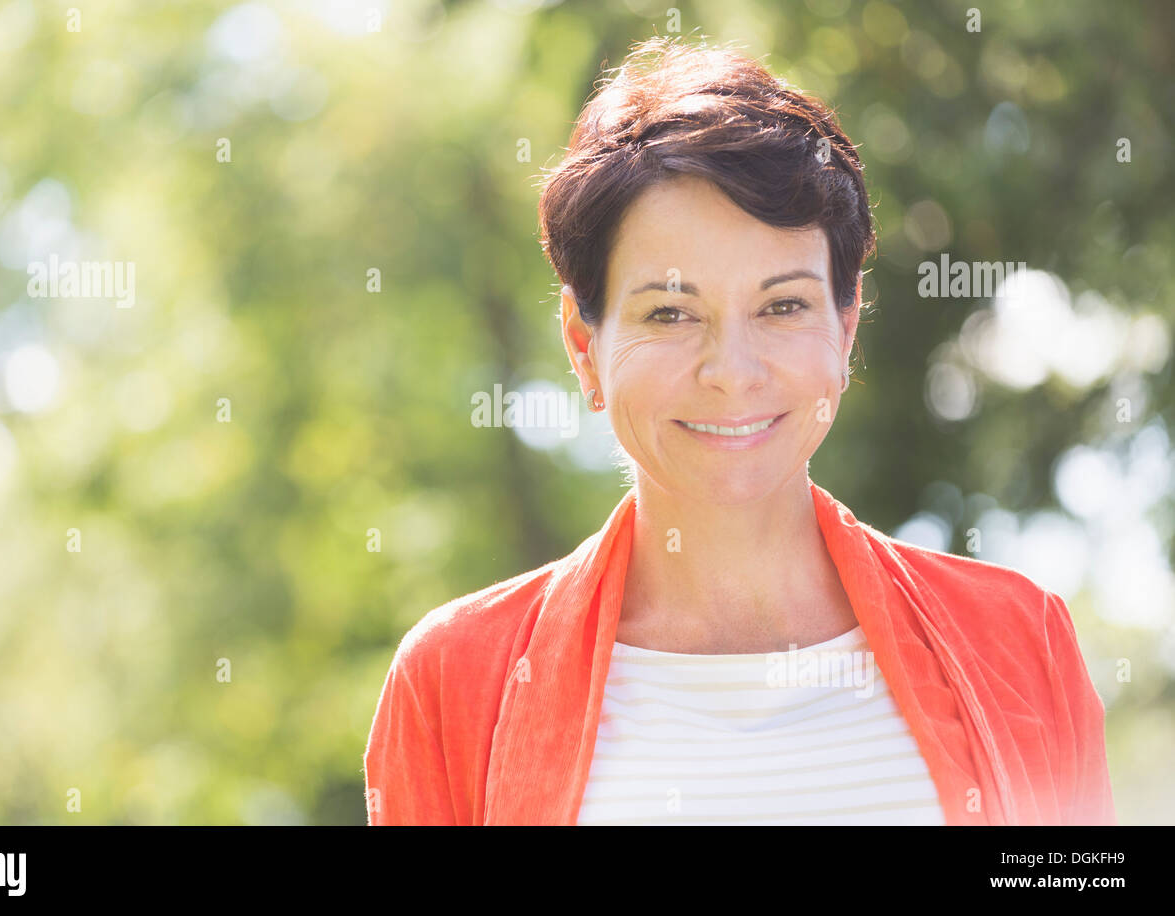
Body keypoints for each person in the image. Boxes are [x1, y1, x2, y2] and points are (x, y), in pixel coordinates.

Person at [363, 36, 1116, 826]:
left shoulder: (1019, 643)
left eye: (782, 305)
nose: (733, 370)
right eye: (670, 313)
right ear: (585, 348)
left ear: (846, 324)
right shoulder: (453, 681)